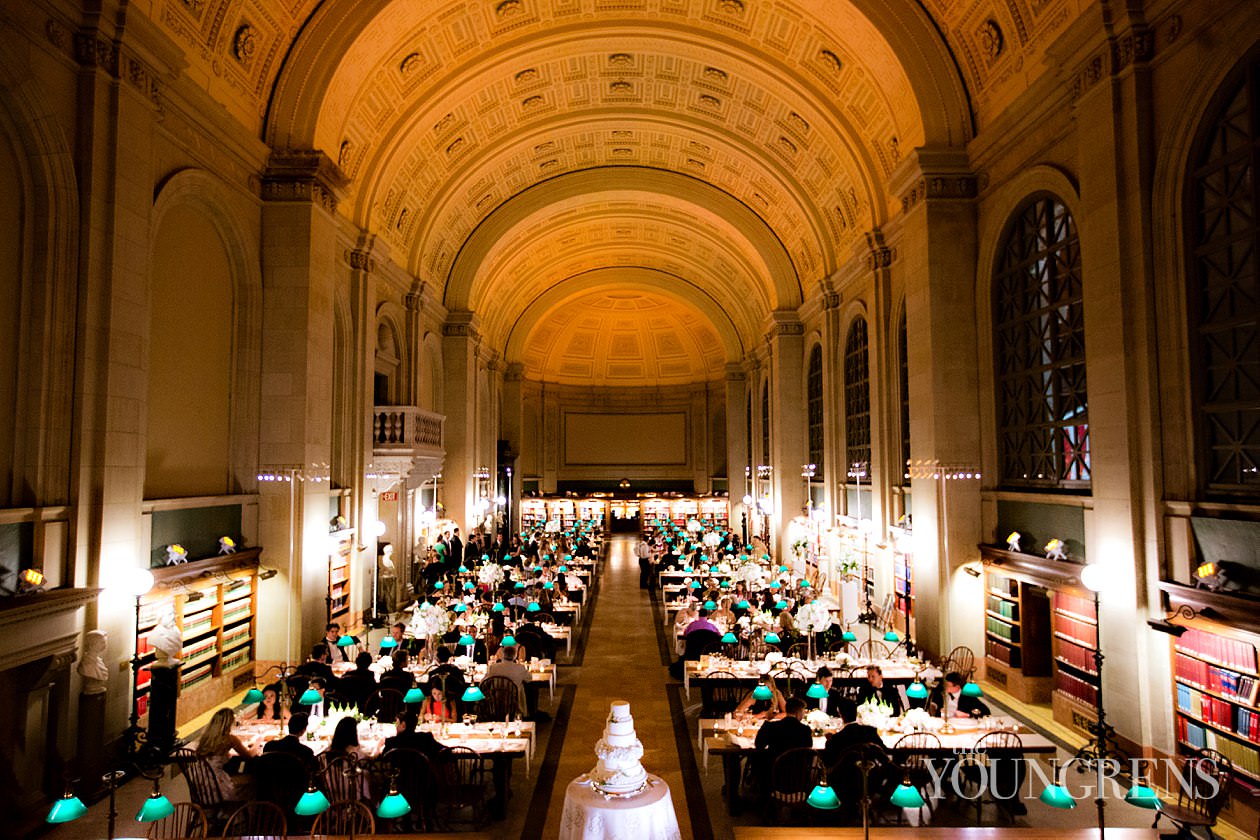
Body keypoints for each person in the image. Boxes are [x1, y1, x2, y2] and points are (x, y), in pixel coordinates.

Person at [752, 697, 813, 788]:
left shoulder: (772, 727)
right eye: (803, 712)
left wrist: (767, 721)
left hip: (775, 773)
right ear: (798, 713)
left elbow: (758, 744)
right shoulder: (805, 730)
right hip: (798, 775)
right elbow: (809, 751)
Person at [196, 708, 255, 801]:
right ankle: (243, 811)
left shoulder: (206, 737)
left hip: (200, 780)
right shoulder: (229, 739)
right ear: (229, 723)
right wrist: (257, 743)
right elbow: (248, 756)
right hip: (216, 782)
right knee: (253, 779)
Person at [484, 642, 529, 716]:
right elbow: (529, 678)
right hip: (514, 701)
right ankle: (523, 714)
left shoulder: (493, 668)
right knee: (521, 688)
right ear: (515, 656)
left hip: (495, 700)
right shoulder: (520, 668)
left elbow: (483, 683)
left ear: (503, 655)